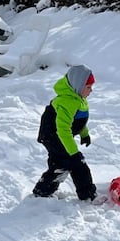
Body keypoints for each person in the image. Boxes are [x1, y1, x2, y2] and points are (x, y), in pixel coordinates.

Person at [33, 65, 97, 201]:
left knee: (61, 164)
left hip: (59, 134)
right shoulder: (67, 102)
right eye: (88, 87)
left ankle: (42, 192)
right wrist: (73, 152)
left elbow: (79, 120)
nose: (91, 91)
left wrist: (84, 133)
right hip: (53, 135)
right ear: (78, 86)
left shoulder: (79, 99)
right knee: (77, 163)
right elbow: (63, 129)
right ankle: (88, 195)